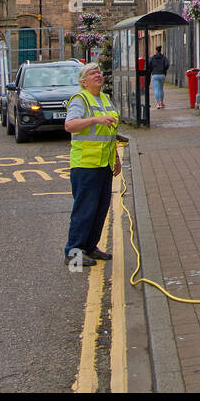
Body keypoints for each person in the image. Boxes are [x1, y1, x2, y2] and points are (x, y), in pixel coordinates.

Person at [63, 61, 121, 268]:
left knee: (100, 209)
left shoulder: (105, 99)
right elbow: (69, 125)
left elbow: (110, 132)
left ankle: (90, 247)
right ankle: (74, 252)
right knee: (84, 210)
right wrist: (95, 120)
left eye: (99, 72)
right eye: (92, 73)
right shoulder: (80, 100)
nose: (98, 75)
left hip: (103, 164)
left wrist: (115, 157)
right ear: (83, 81)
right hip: (85, 165)